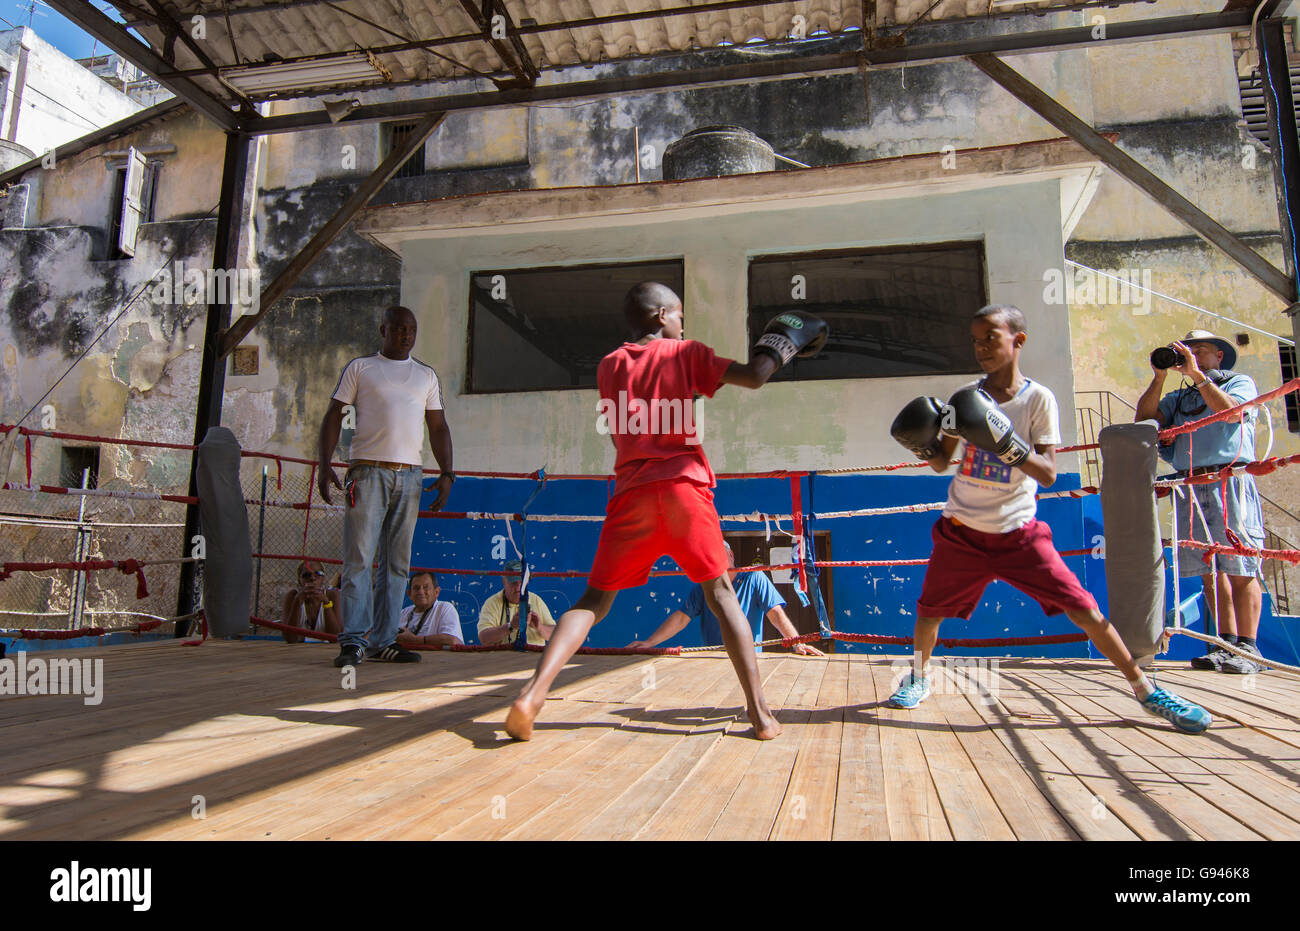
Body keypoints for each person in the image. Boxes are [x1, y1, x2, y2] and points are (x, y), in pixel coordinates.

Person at [503, 281, 828, 741]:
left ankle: (532, 696)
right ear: (661, 316)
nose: (683, 326)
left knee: (593, 601)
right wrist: (782, 341)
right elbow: (755, 376)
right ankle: (760, 715)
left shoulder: (609, 365)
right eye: (679, 316)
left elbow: (637, 419)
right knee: (721, 594)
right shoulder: (685, 354)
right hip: (683, 490)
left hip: (632, 492)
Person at [887, 303, 1211, 733]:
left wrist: (1006, 442)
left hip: (1019, 532)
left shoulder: (1038, 399)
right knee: (929, 613)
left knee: (1085, 609)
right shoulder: (964, 398)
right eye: (975, 340)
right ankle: (920, 678)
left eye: (991, 337)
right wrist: (924, 445)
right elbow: (943, 462)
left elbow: (1049, 473)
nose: (981, 347)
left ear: (1018, 341)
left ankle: (1146, 690)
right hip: (961, 529)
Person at [317, 305, 455, 668]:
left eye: (410, 329)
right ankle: (352, 641)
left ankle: (383, 640)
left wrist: (447, 473)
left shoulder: (425, 376)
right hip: (367, 473)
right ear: (383, 330)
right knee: (359, 559)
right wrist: (324, 464)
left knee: (396, 564)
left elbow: (438, 427)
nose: (405, 335)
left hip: (410, 475)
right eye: (397, 329)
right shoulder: (361, 368)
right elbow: (333, 414)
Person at [1135, 329, 1267, 674]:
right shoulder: (1179, 399)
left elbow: (1232, 413)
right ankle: (1224, 643)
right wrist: (1160, 376)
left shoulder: (1239, 382)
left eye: (1200, 350)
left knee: (1240, 564)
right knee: (1209, 569)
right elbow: (1145, 420)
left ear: (1218, 356)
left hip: (1228, 479)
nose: (1191, 355)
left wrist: (1196, 374)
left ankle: (1249, 649)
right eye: (1185, 350)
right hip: (1190, 483)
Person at [626, 541, 826, 655]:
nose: (714, 561)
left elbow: (776, 614)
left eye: (718, 554)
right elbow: (681, 618)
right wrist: (649, 642)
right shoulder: (704, 586)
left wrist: (796, 642)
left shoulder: (754, 578)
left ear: (730, 555)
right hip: (715, 660)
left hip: (749, 659)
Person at [477, 560, 556, 646]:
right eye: (514, 583)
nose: (518, 587)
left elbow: (556, 635)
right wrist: (511, 626)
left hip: (534, 657)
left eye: (522, 582)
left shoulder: (536, 600)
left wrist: (540, 627)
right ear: (504, 582)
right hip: (503, 658)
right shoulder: (492, 603)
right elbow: (484, 638)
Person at [280, 559, 342, 643]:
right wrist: (297, 602)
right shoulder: (292, 596)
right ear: (299, 580)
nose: (312, 578)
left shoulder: (332, 596)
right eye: (306, 575)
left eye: (318, 574)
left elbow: (336, 637)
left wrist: (326, 604)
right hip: (297, 651)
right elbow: (290, 638)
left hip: (326, 652)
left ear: (323, 578)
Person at [395, 571, 463, 647]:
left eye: (426, 587)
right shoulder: (404, 613)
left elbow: (451, 640)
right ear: (409, 594)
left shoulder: (444, 608)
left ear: (436, 592)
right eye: (416, 588)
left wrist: (415, 640)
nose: (420, 592)